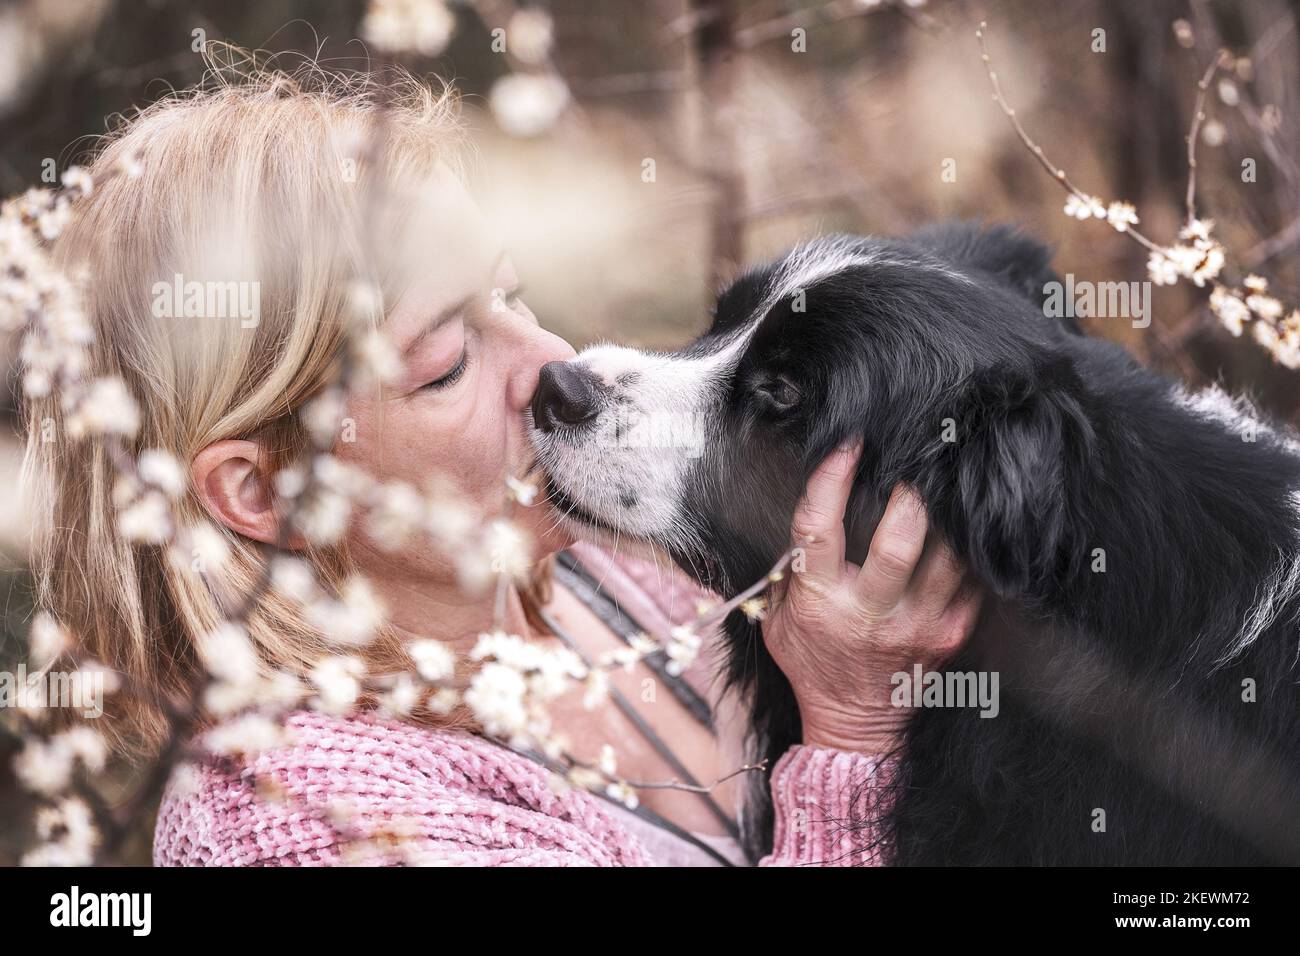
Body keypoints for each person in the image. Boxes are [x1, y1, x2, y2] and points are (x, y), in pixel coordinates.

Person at [24, 53, 981, 866]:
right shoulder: (303, 827)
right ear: (263, 489)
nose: (555, 364)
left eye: (511, 295)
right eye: (445, 366)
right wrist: (855, 740)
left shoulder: (593, 554)